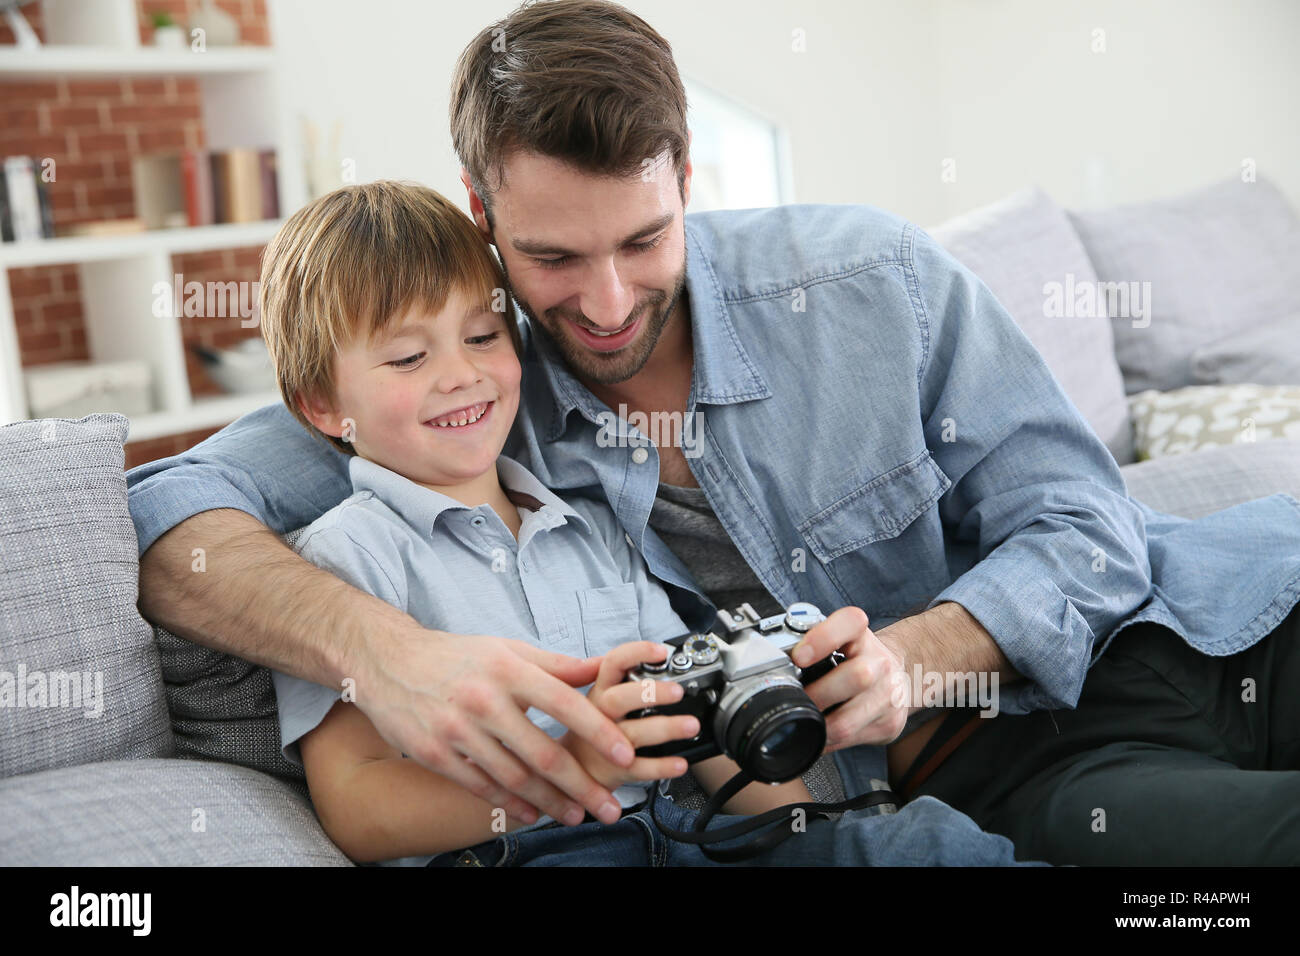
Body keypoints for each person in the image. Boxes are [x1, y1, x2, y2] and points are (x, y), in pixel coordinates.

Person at [127, 0, 1300, 864]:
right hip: (1034, 773)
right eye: (551, 256)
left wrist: (913, 655)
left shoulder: (867, 277)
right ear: (486, 217)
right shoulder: (466, 383)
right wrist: (383, 651)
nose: (602, 302)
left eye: (642, 240)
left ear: (689, 176)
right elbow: (172, 518)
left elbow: (1089, 523)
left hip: (1216, 613)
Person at [254, 178, 1033, 866]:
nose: (461, 374)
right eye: (406, 359)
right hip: (532, 850)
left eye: (483, 337)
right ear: (322, 405)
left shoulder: (592, 521)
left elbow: (696, 730)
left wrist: (801, 827)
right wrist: (573, 768)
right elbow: (356, 804)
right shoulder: (342, 564)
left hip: (692, 831)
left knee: (915, 845)